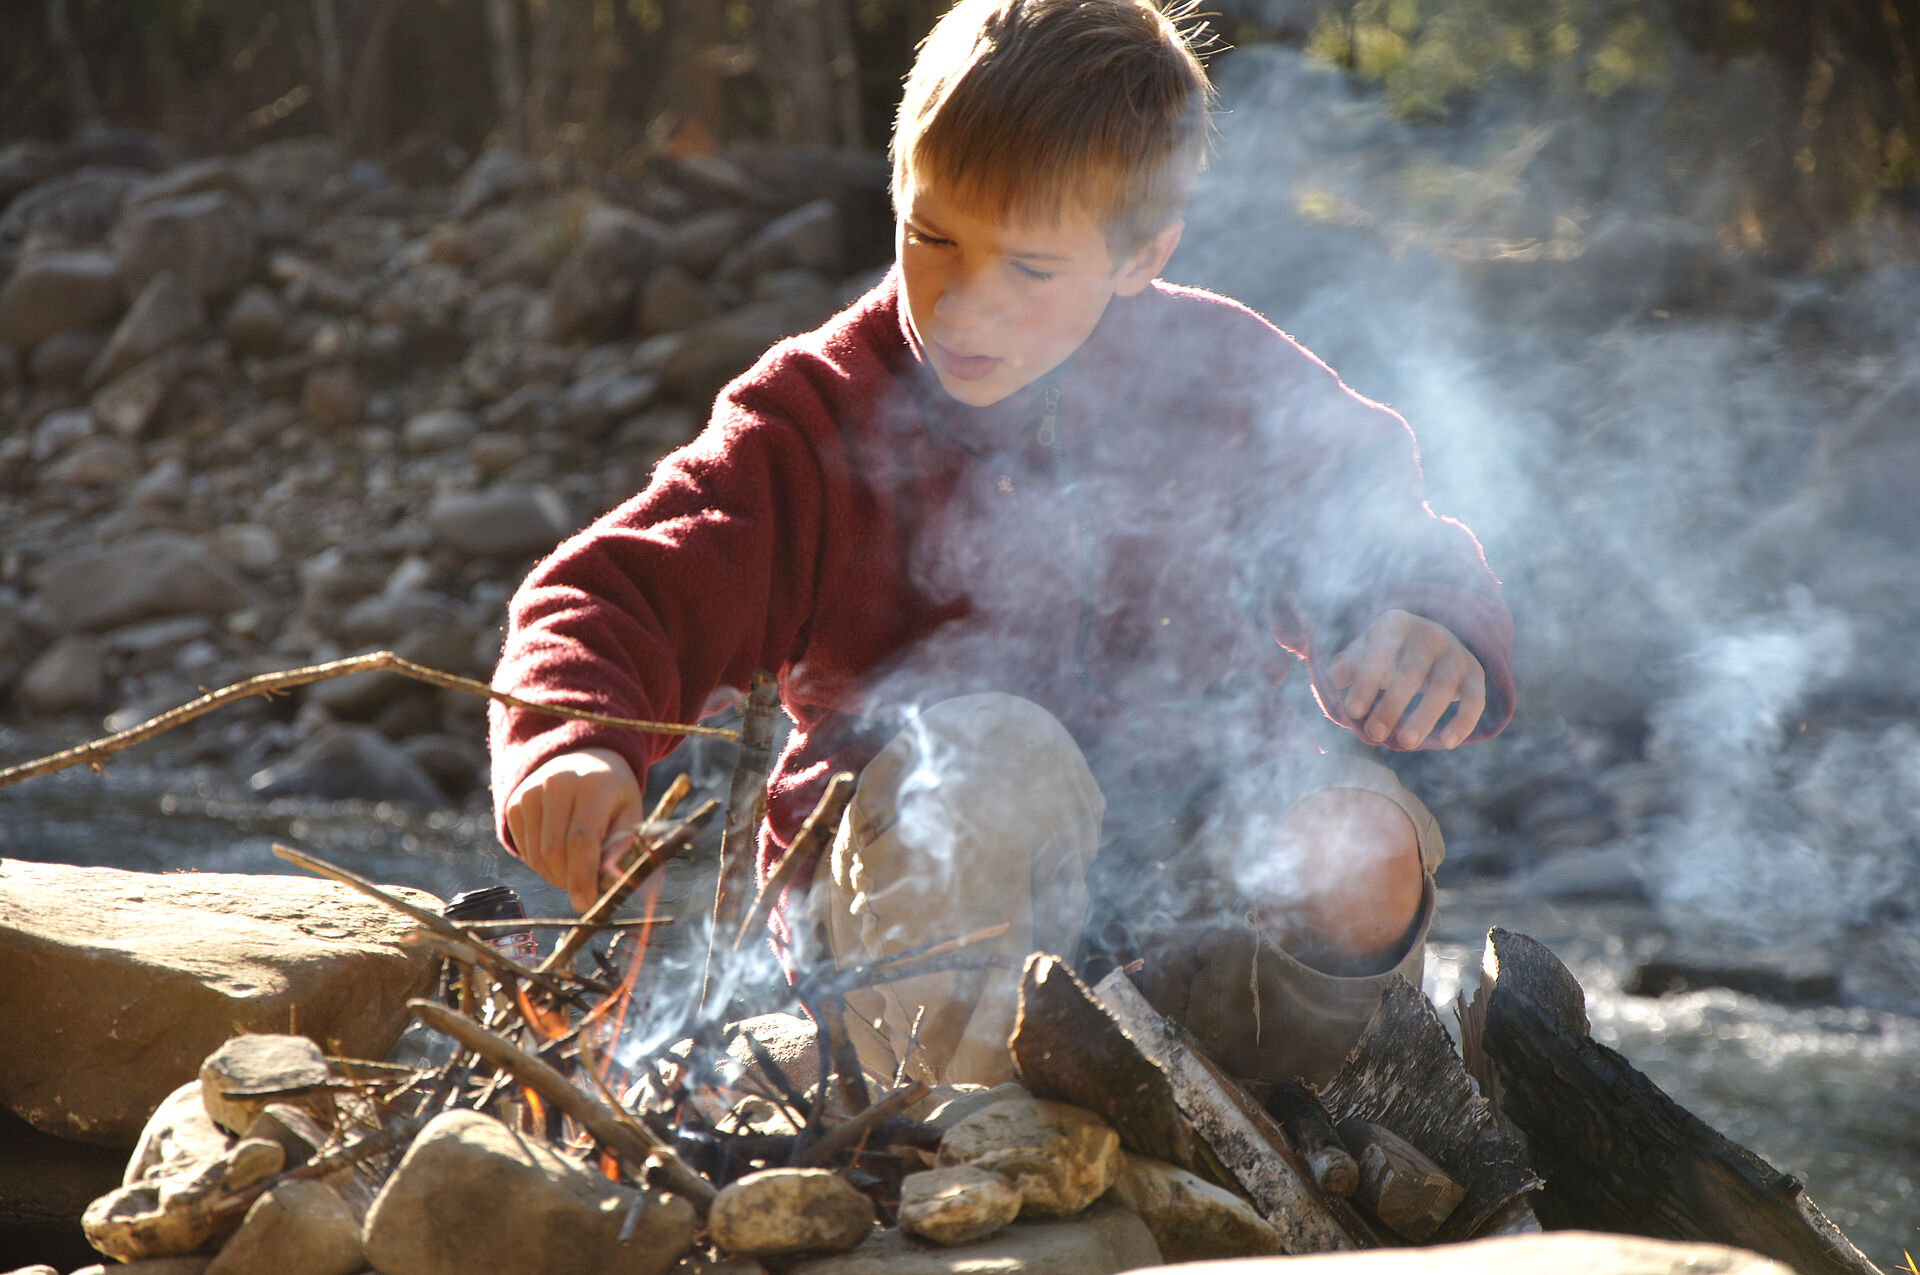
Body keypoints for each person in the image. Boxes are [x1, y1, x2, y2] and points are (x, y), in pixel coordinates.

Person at [489, 0, 1513, 1088]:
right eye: (932, 237)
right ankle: (986, 1138)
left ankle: (1280, 1117)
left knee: (1360, 842)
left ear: (1141, 254)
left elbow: (1380, 527)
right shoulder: (820, 411)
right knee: (996, 758)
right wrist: (572, 742)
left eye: (1028, 269)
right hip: (916, 902)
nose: (965, 304)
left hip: (1181, 878)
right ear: (897, 198)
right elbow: (621, 589)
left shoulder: (1226, 379)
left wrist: (1428, 629)